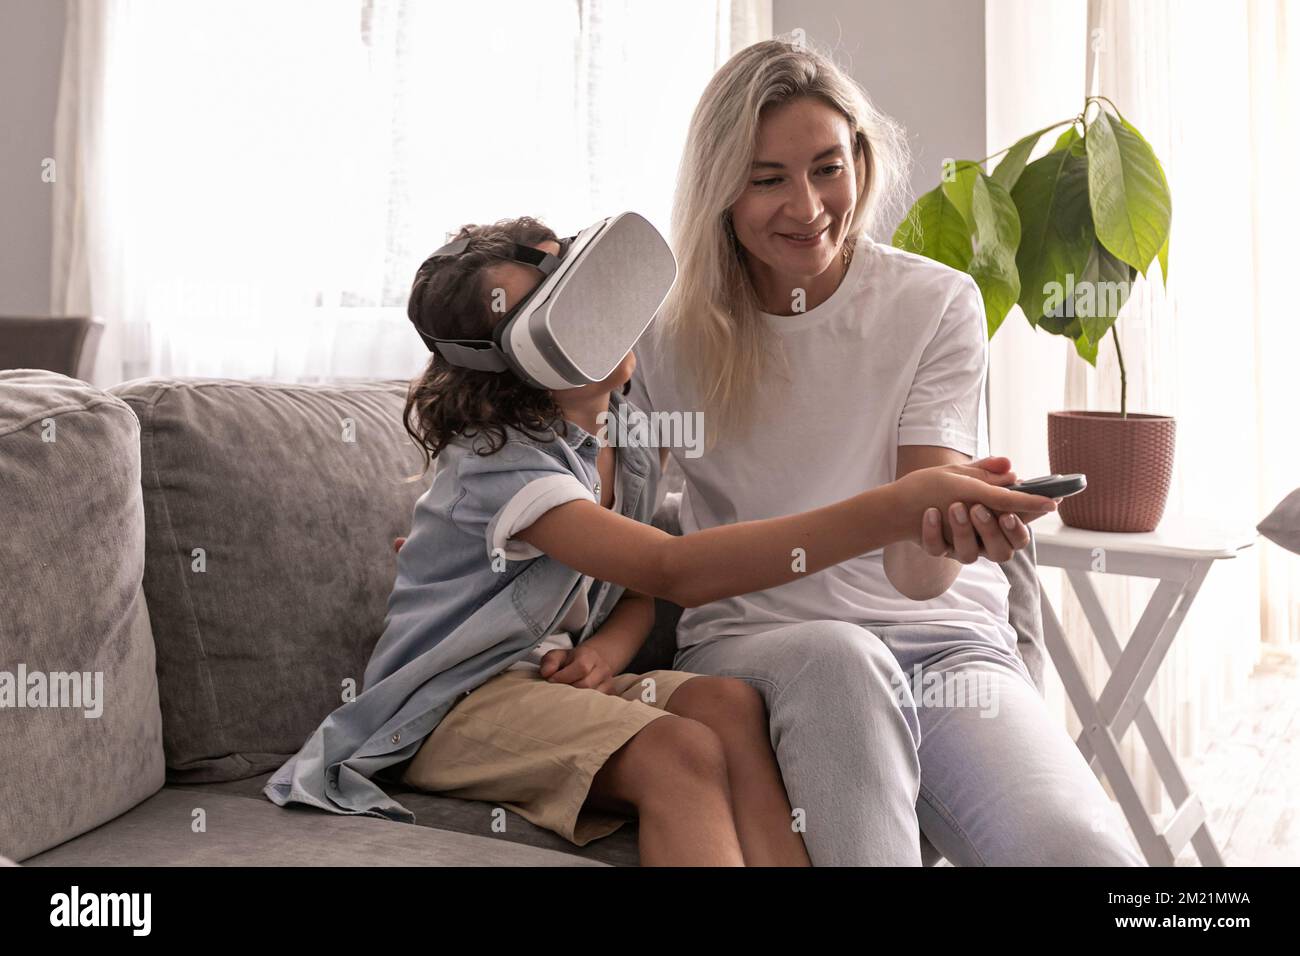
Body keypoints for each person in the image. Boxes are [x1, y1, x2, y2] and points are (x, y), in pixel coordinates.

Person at [382, 215, 1054, 866]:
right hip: (452, 707)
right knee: (680, 754)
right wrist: (899, 507)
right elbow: (670, 569)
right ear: (504, 368)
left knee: (730, 707)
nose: (593, 317)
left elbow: (637, 588)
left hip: (545, 687)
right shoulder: (504, 467)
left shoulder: (625, 441)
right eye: (552, 323)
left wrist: (610, 652)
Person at [625, 38, 1146, 865]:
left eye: (828, 167)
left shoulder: (934, 303)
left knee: (1080, 851)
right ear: (720, 188)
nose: (809, 205)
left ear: (860, 161)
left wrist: (945, 530)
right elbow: (621, 530)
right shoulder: (664, 337)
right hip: (765, 641)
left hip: (941, 643)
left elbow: (916, 576)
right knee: (840, 655)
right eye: (768, 180)